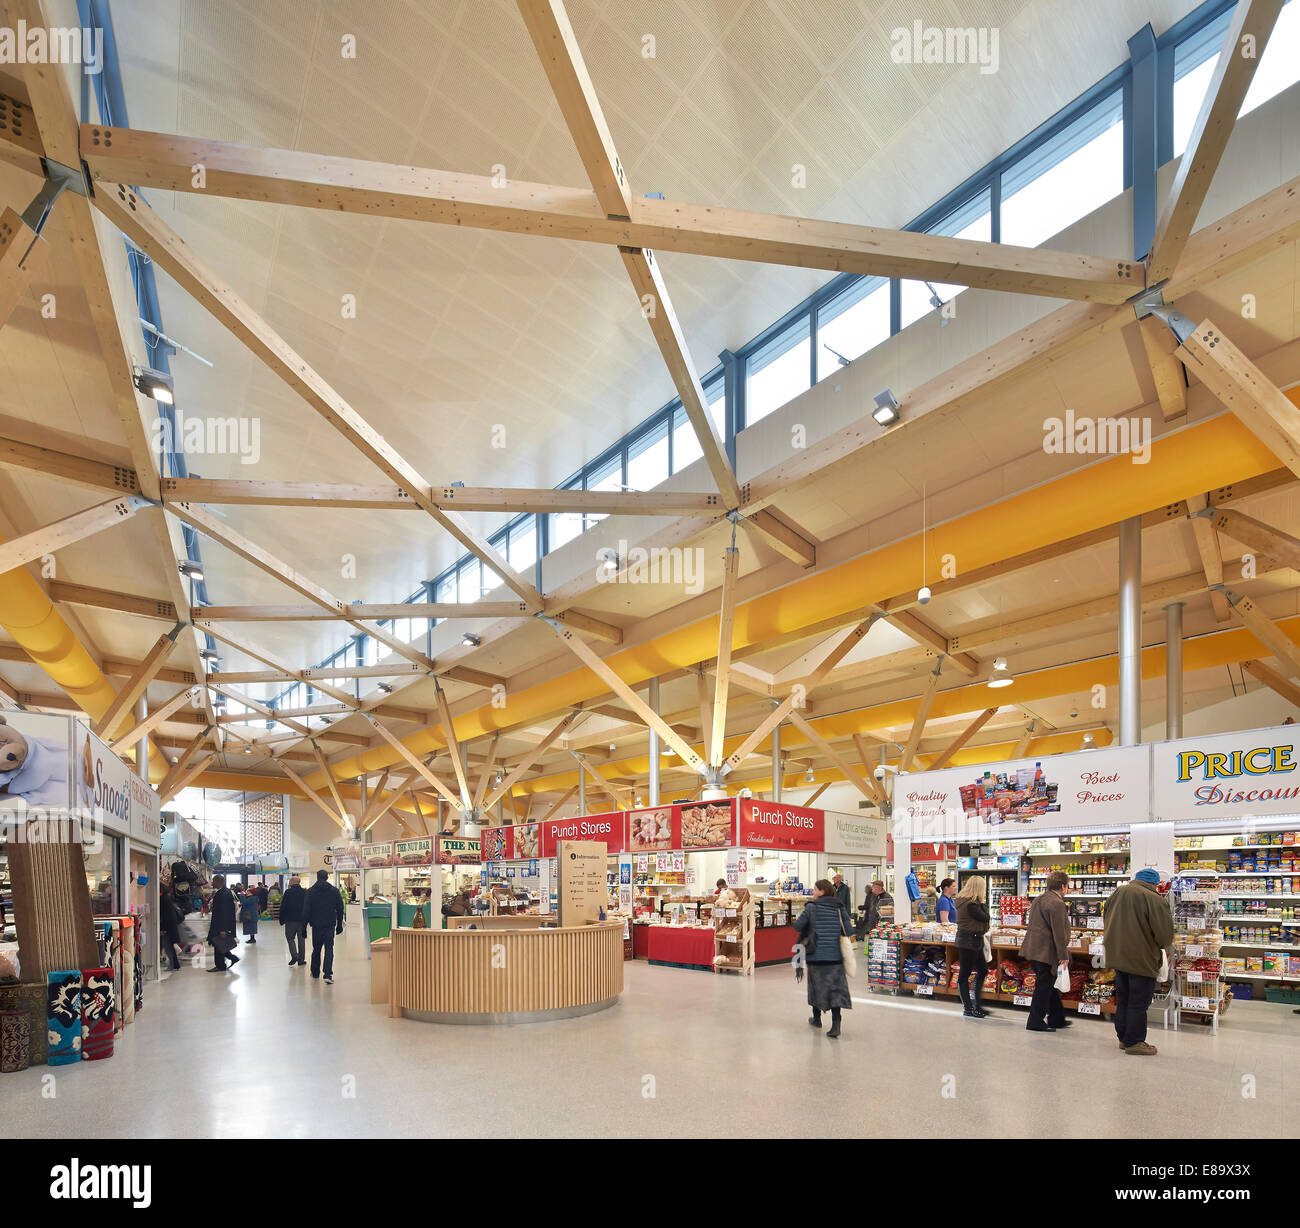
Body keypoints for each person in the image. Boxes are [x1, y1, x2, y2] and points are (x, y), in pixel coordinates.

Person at [1104, 868, 1175, 1056]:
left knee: (1124, 1000)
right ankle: (1134, 1042)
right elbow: (1165, 937)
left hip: (1118, 957)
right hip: (1142, 960)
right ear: (1156, 884)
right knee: (1138, 1003)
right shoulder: (1155, 899)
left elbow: (1106, 918)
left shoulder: (1118, 892)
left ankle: (1123, 1038)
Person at [793, 879, 853, 1039]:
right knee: (835, 990)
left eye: (814, 889)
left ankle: (817, 1018)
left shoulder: (811, 908)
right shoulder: (839, 907)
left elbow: (797, 926)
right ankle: (836, 1023)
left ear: (821, 892)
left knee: (815, 988)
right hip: (835, 957)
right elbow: (848, 929)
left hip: (815, 956)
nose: (813, 892)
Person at [1019, 869, 1071, 1032]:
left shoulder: (1039, 899)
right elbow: (1059, 932)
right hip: (1046, 952)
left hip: (1033, 948)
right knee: (1044, 986)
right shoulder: (1057, 903)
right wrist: (1063, 955)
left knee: (1049, 984)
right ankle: (1035, 1020)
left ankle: (1057, 1018)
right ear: (1063, 886)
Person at [953, 875, 990, 1019]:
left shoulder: (965, 902)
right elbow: (986, 917)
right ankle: (968, 1008)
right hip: (969, 941)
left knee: (982, 970)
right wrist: (982, 902)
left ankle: (976, 1005)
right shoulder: (971, 905)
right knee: (965, 974)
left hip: (971, 940)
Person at [306, 868, 345, 984]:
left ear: (317, 877)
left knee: (316, 949)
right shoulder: (334, 891)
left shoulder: (311, 891)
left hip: (316, 925)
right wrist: (339, 924)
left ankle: (315, 972)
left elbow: (306, 910)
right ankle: (328, 974)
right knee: (329, 949)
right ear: (327, 877)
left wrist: (304, 926)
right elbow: (340, 908)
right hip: (329, 924)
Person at [207, 875, 240, 973]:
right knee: (218, 944)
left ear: (218, 882)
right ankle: (230, 959)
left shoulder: (224, 894)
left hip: (220, 924)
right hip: (219, 923)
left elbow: (224, 912)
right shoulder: (222, 892)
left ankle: (221, 965)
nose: (212, 883)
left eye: (213, 881)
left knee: (218, 944)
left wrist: (223, 929)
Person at [279, 874, 308, 966]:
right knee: (301, 939)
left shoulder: (288, 892)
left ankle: (294, 955)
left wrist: (281, 919)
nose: (289, 882)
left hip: (290, 919)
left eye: (290, 881)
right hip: (302, 920)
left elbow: (283, 906)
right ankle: (301, 960)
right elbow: (308, 906)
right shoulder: (304, 892)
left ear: (293, 882)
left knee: (290, 938)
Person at [160, 890, 184, 971]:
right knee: (170, 947)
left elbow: (165, 918)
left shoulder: (164, 901)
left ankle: (173, 965)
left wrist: (163, 929)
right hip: (172, 929)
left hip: (168, 930)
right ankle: (175, 964)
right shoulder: (170, 903)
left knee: (168, 947)